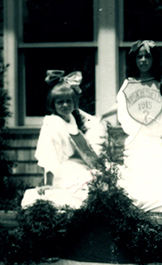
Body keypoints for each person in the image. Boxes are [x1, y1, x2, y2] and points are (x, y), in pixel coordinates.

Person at [113, 39, 162, 212]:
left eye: (147, 56)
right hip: (136, 143)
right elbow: (122, 107)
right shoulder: (128, 83)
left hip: (157, 143)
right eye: (139, 57)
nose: (143, 60)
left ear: (154, 58)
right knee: (136, 189)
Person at [26, 71, 107, 209]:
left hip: (77, 164)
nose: (65, 105)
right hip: (62, 170)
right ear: (53, 104)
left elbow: (92, 124)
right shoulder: (52, 123)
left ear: (74, 103)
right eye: (60, 102)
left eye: (68, 101)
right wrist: (48, 183)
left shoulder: (71, 118)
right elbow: (49, 154)